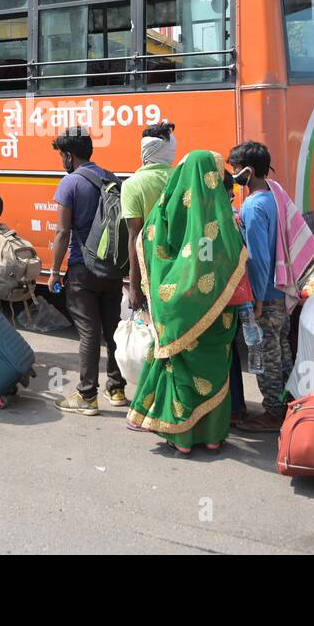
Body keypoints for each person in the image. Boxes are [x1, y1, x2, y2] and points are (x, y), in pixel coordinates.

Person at [127, 150, 246, 454]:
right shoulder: (222, 214)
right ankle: (213, 436)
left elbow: (149, 243)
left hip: (178, 304)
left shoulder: (167, 207)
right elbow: (234, 258)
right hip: (219, 308)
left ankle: (182, 439)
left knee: (180, 365)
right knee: (213, 368)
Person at [49, 126, 127, 416]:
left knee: (89, 332)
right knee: (112, 329)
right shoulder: (111, 178)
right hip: (112, 268)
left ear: (69, 156)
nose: (61, 161)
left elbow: (61, 232)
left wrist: (55, 271)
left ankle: (87, 395)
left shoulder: (69, 184)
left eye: (61, 156)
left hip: (83, 268)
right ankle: (116, 389)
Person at [226, 141, 295, 432]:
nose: (233, 176)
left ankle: (273, 413)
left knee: (266, 356)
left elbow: (257, 258)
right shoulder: (275, 195)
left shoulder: (254, 206)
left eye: (234, 170)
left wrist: (256, 299)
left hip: (265, 293)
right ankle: (288, 403)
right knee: (281, 350)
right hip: (281, 289)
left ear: (248, 170)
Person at [122, 122, 177, 312]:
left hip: (151, 276)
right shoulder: (183, 179)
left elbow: (134, 237)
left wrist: (134, 287)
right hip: (183, 273)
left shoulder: (132, 185)